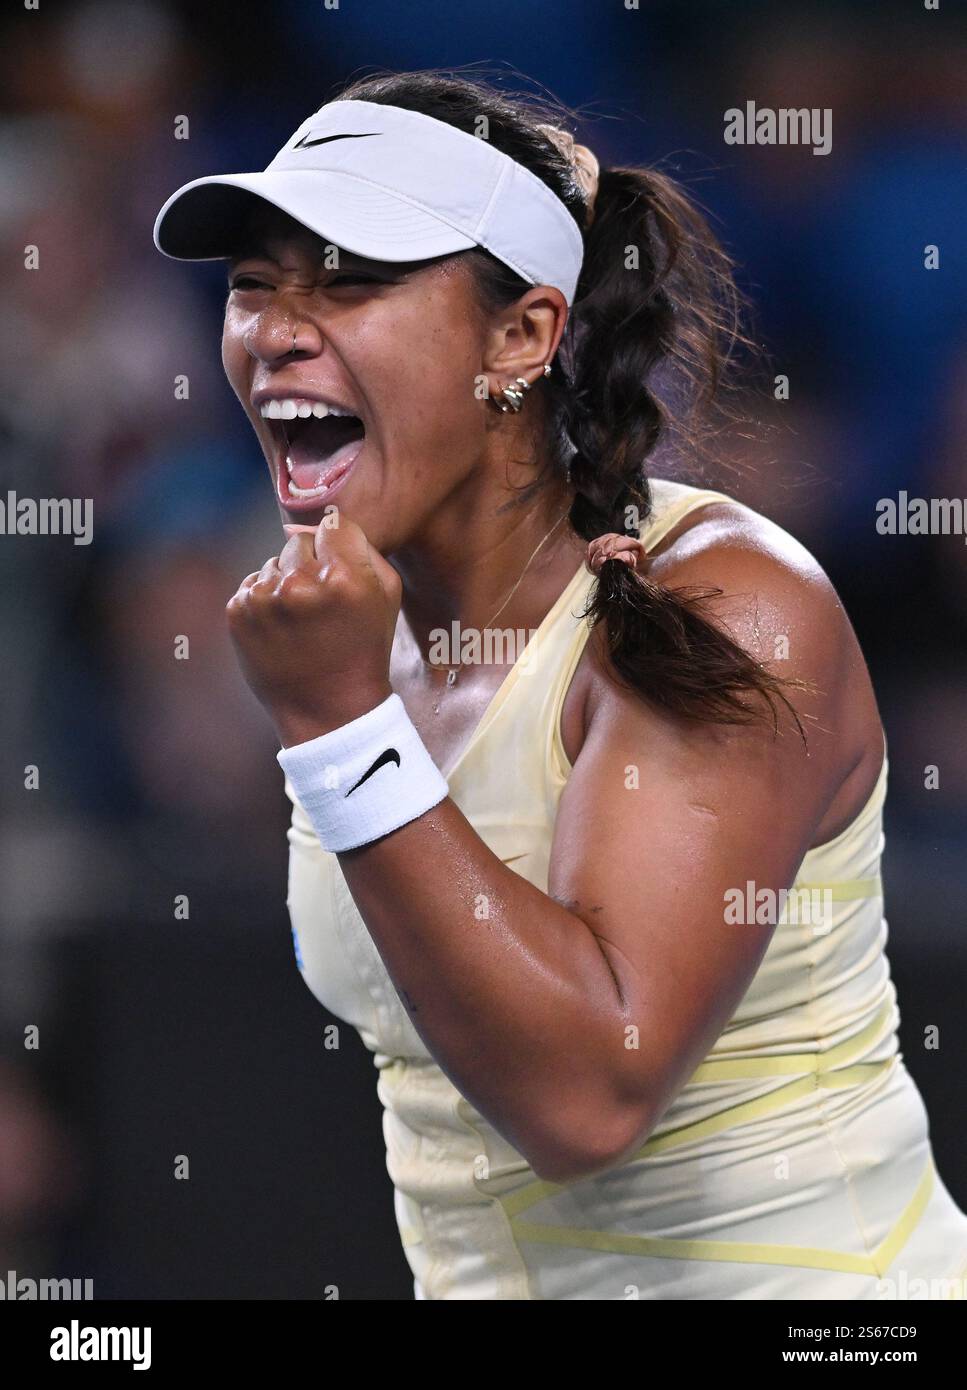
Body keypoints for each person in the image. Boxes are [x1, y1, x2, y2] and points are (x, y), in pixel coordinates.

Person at [153, 69, 967, 1300]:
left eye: (351, 279)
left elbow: (592, 1092)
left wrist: (338, 729)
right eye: (253, 285)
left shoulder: (728, 605)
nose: (273, 329)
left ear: (522, 337)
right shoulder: (348, 628)